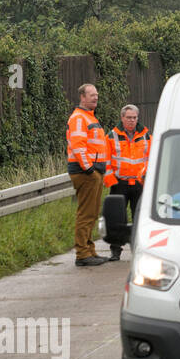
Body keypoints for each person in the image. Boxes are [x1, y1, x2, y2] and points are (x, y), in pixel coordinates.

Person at [66, 83, 109, 266]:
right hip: (86, 173)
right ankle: (82, 254)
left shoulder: (88, 117)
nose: (95, 98)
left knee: (91, 213)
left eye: (97, 95)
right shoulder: (78, 118)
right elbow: (77, 146)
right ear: (82, 97)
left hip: (93, 172)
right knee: (86, 213)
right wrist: (89, 169)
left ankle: (89, 250)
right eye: (91, 95)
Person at [103, 104, 151, 261]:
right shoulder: (111, 136)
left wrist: (148, 180)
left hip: (140, 184)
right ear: (122, 118)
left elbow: (151, 159)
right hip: (120, 183)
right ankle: (115, 250)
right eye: (129, 117)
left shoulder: (147, 136)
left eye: (134, 118)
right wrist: (111, 180)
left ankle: (139, 249)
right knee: (117, 218)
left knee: (141, 218)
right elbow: (106, 160)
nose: (132, 120)